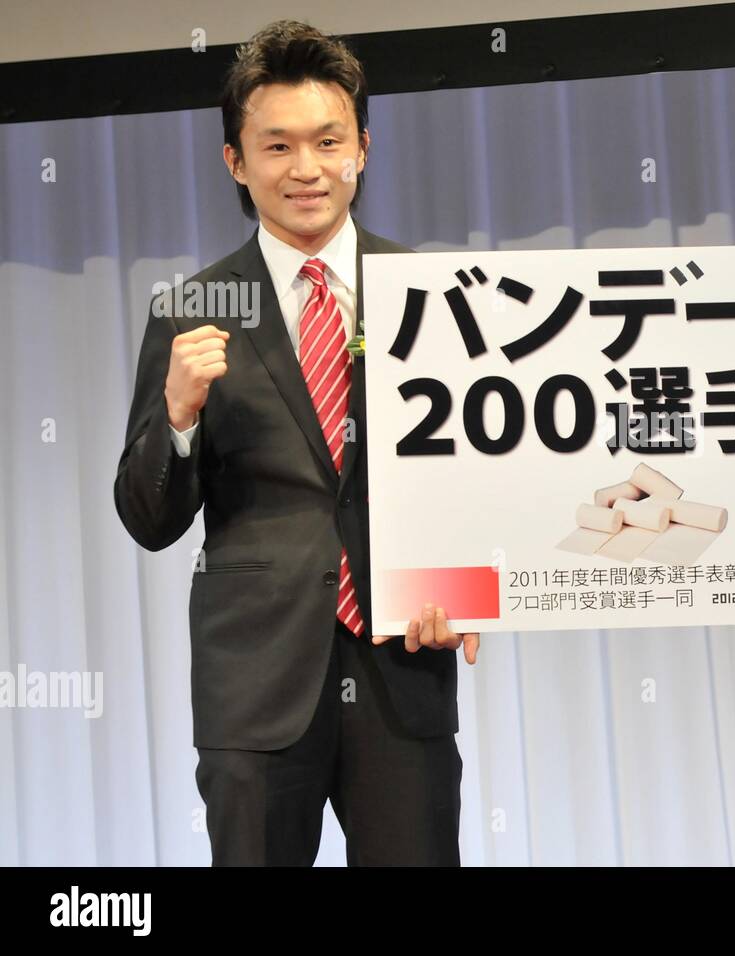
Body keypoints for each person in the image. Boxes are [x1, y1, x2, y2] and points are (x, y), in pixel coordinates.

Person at [113, 20, 476, 866]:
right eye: (276, 145)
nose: (305, 169)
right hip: (257, 685)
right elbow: (150, 517)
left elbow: (469, 479)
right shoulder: (190, 310)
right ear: (236, 161)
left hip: (404, 673)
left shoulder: (432, 297)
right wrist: (177, 414)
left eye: (327, 141)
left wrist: (466, 586)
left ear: (363, 148)